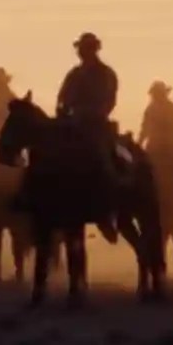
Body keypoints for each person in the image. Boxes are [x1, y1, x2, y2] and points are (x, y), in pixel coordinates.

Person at [56, 32, 121, 241]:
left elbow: (109, 100)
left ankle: (107, 210)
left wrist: (92, 113)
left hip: (97, 125)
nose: (82, 52)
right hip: (73, 124)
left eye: (86, 48)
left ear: (93, 49)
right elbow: (62, 98)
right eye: (81, 48)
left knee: (103, 159)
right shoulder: (74, 74)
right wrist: (63, 113)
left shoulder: (106, 74)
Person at [139, 80, 173, 152]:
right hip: (161, 147)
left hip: (168, 148)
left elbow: (144, 130)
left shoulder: (151, 109)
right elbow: (144, 129)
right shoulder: (151, 109)